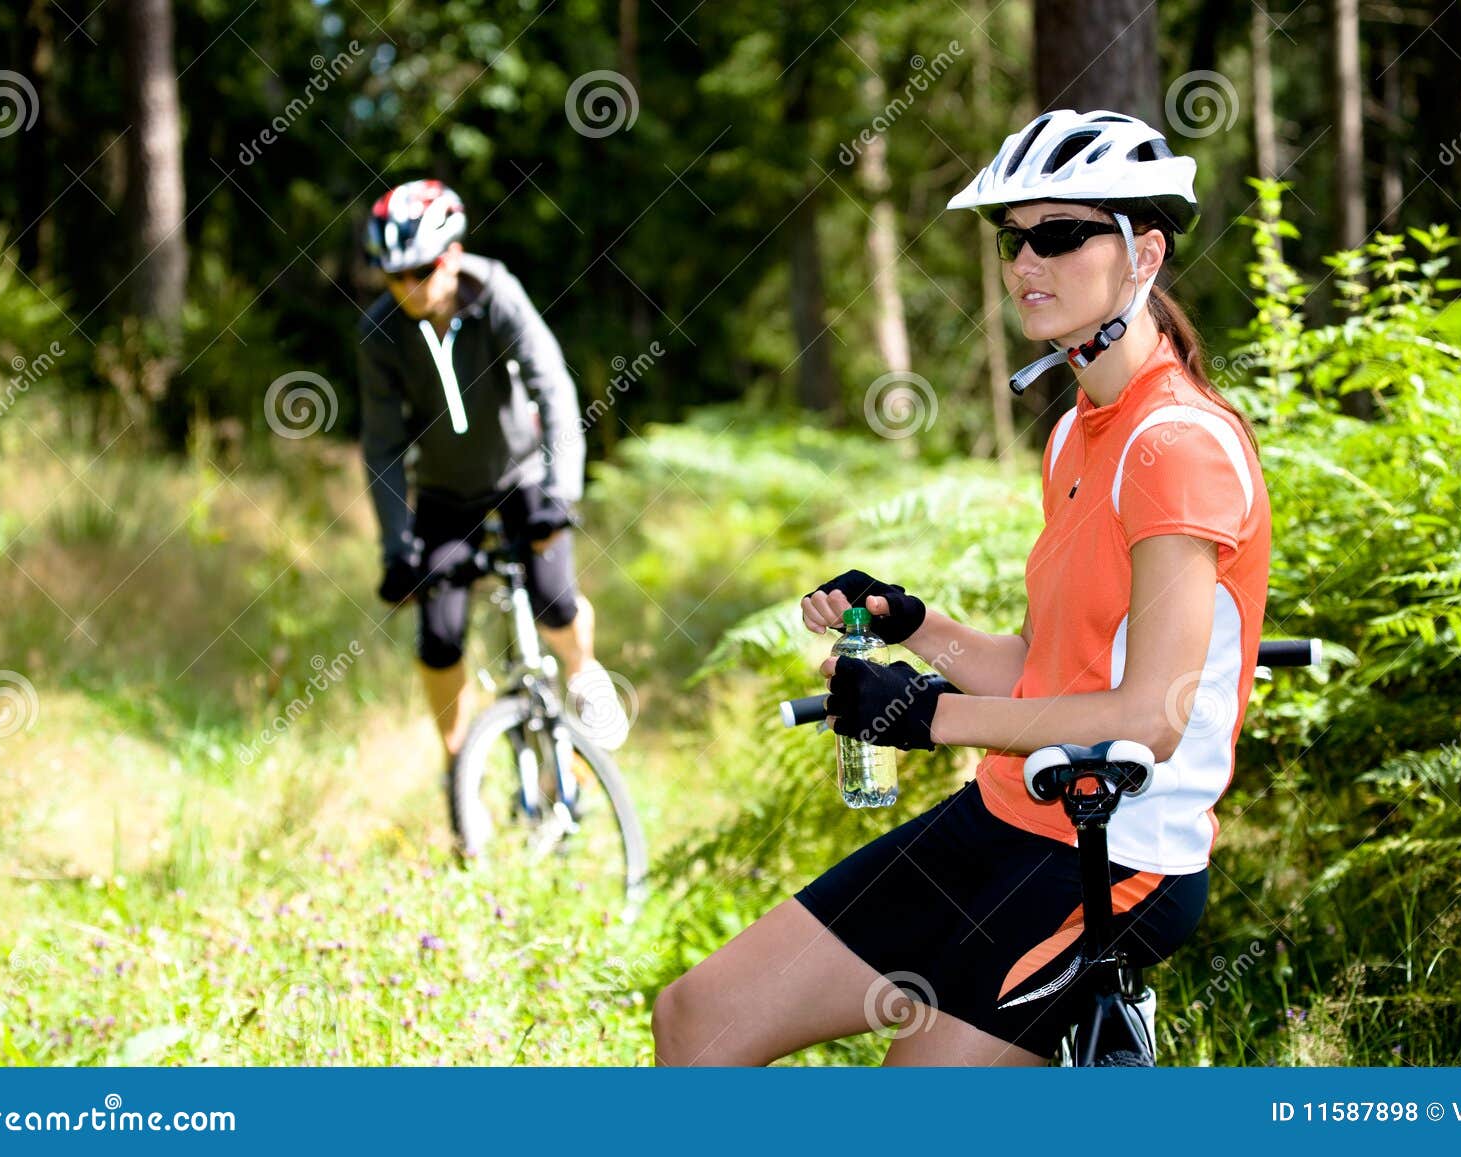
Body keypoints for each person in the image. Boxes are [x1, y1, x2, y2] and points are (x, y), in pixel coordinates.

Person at [652, 110, 1271, 1066]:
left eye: (1061, 234)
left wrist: (926, 717)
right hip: (1005, 812)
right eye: (1012, 238)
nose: (1026, 262)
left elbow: (1149, 714)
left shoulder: (1175, 444)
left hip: (1116, 848)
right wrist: (915, 624)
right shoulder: (1078, 430)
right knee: (698, 1020)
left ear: (1144, 253)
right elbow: (1043, 669)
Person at [357, 179, 629, 781]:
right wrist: (396, 545)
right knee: (440, 635)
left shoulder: (495, 291)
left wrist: (561, 491)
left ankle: (583, 673)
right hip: (446, 495)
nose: (406, 288)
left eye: (419, 271)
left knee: (555, 600)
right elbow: (381, 448)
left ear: (450, 255)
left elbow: (553, 388)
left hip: (521, 476)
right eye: (392, 276)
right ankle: (459, 770)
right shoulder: (381, 332)